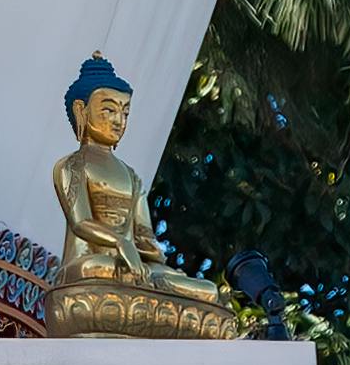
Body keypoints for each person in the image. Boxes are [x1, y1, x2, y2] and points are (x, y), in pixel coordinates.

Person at [44, 56, 237, 339]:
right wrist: (120, 242)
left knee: (205, 292)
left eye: (125, 112)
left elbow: (145, 241)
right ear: (80, 109)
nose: (118, 121)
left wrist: (157, 266)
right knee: (96, 271)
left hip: (133, 273)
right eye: (108, 110)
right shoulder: (73, 166)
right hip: (89, 270)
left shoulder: (131, 177)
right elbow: (81, 222)